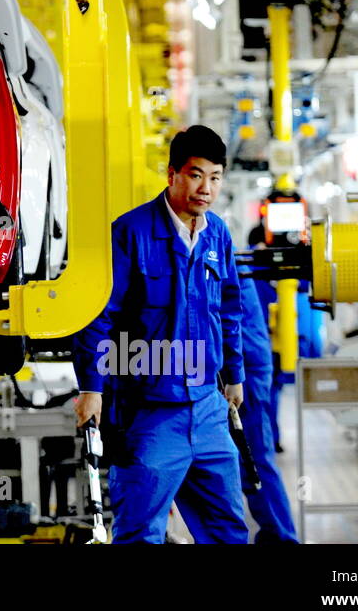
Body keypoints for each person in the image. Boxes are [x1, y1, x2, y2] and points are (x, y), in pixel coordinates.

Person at [73, 125, 246, 544]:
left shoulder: (217, 234)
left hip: (207, 406)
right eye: (195, 174)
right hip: (149, 412)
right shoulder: (130, 232)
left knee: (228, 530)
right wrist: (91, 388)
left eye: (215, 177)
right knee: (139, 534)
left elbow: (228, 307)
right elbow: (98, 316)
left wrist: (235, 374)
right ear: (171, 174)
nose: (206, 188)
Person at [180, 271, 299, 543]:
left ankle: (282, 538)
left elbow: (219, 319)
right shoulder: (217, 257)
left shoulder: (218, 257)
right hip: (240, 369)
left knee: (255, 460)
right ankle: (275, 534)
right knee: (251, 461)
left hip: (244, 372)